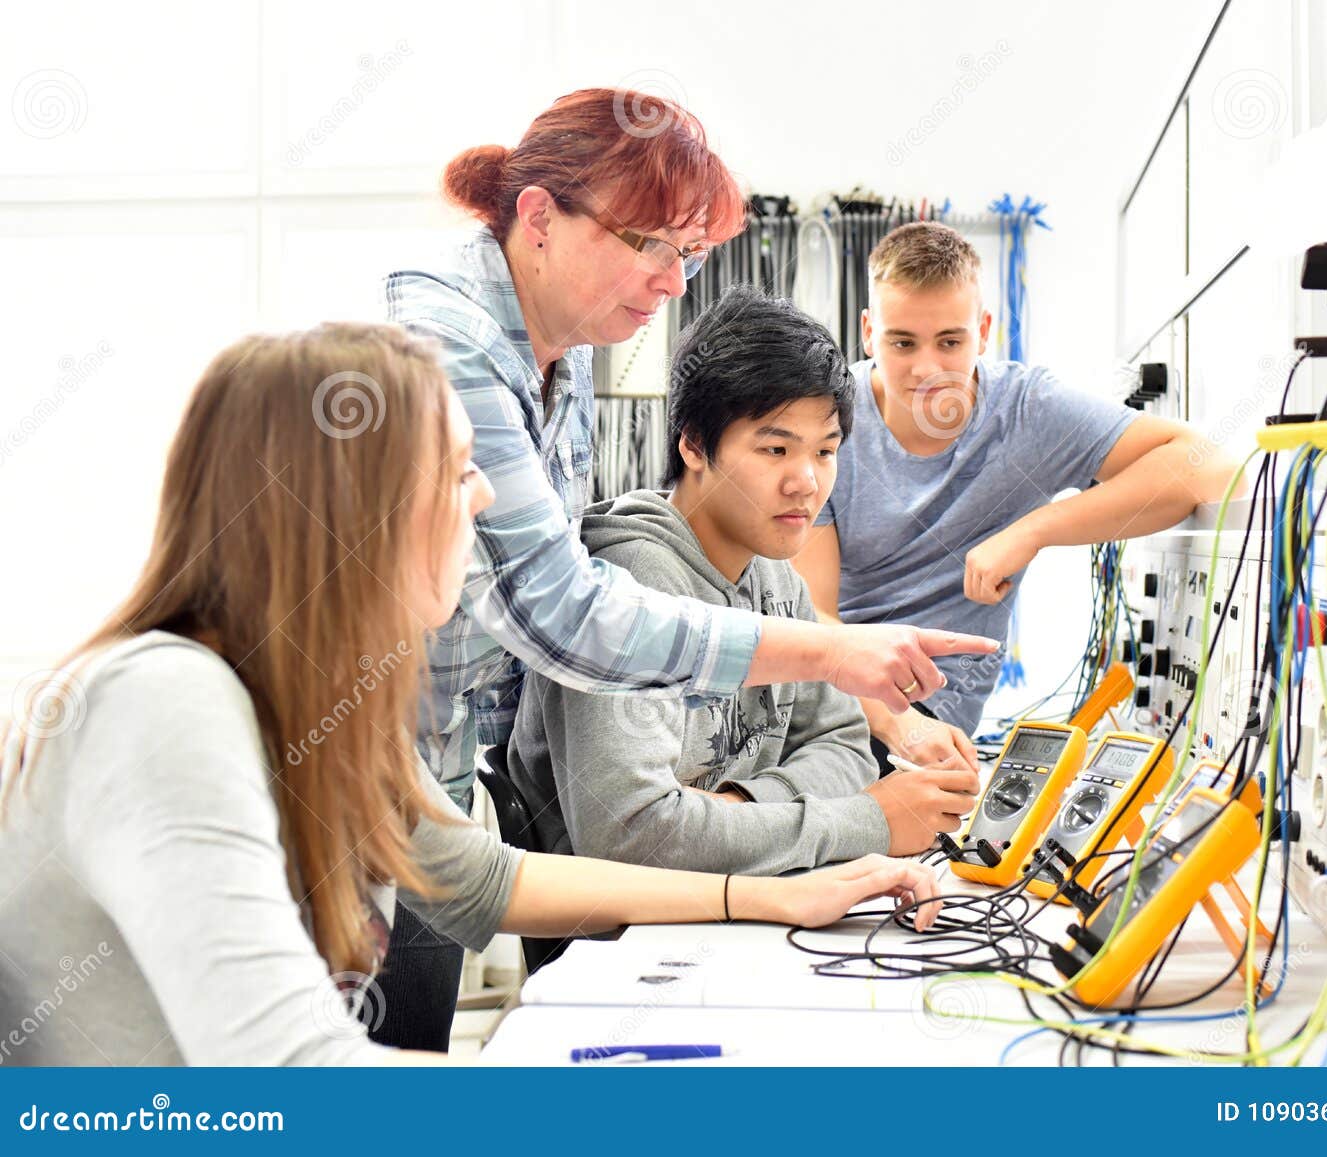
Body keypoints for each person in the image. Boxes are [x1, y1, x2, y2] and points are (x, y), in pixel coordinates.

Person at [0, 324, 942, 1066]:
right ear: (351, 503)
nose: (486, 497)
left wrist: (766, 897)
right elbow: (289, 1071)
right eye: (455, 469)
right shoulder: (168, 701)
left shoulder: (320, 706)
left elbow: (489, 881)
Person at [381, 91, 992, 1047]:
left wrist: (770, 802)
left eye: (689, 254)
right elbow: (561, 612)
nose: (672, 282)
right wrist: (844, 727)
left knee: (393, 1076)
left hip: (433, 796)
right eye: (650, 246)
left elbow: (553, 578)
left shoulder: (571, 346)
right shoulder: (447, 340)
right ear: (538, 219)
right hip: (354, 786)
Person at [508, 288, 980, 877]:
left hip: (754, 904)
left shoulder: (776, 573)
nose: (806, 482)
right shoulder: (628, 585)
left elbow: (847, 746)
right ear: (693, 444)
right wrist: (867, 821)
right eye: (776, 448)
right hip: (629, 945)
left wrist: (735, 809)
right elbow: (632, 838)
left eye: (826, 452)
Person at [794, 222, 1234, 773]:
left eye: (950, 342)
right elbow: (812, 617)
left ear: (983, 330)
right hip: (839, 694)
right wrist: (894, 722)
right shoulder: (829, 422)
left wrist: (1034, 530)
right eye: (902, 342)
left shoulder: (1027, 411)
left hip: (933, 717)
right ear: (867, 331)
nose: (927, 368)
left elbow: (1206, 464)